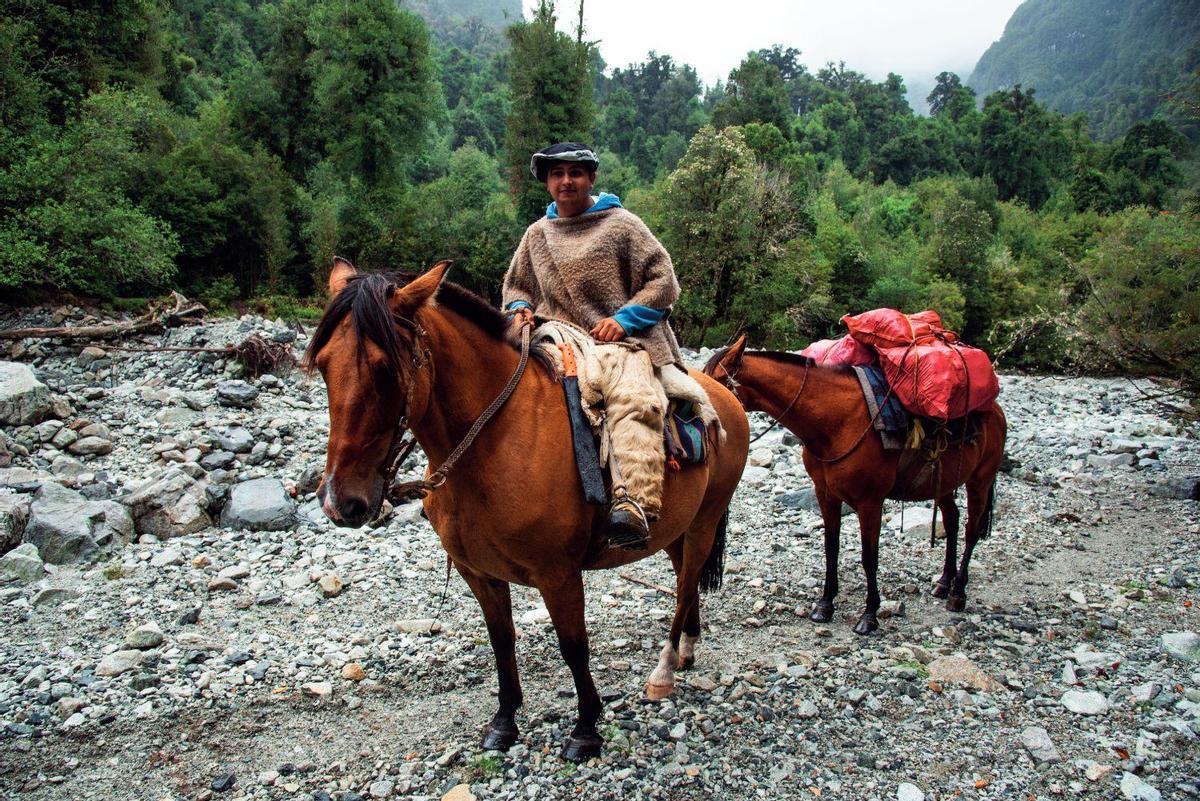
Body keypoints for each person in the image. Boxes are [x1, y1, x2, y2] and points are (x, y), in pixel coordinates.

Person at [502, 142, 685, 550]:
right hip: (556, 334)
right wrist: (519, 307)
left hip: (621, 338)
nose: (566, 181)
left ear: (591, 177)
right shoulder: (537, 235)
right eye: (556, 174)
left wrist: (622, 320)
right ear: (547, 183)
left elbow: (663, 282)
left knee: (631, 394)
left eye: (575, 172)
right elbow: (518, 284)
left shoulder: (622, 226)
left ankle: (633, 499)